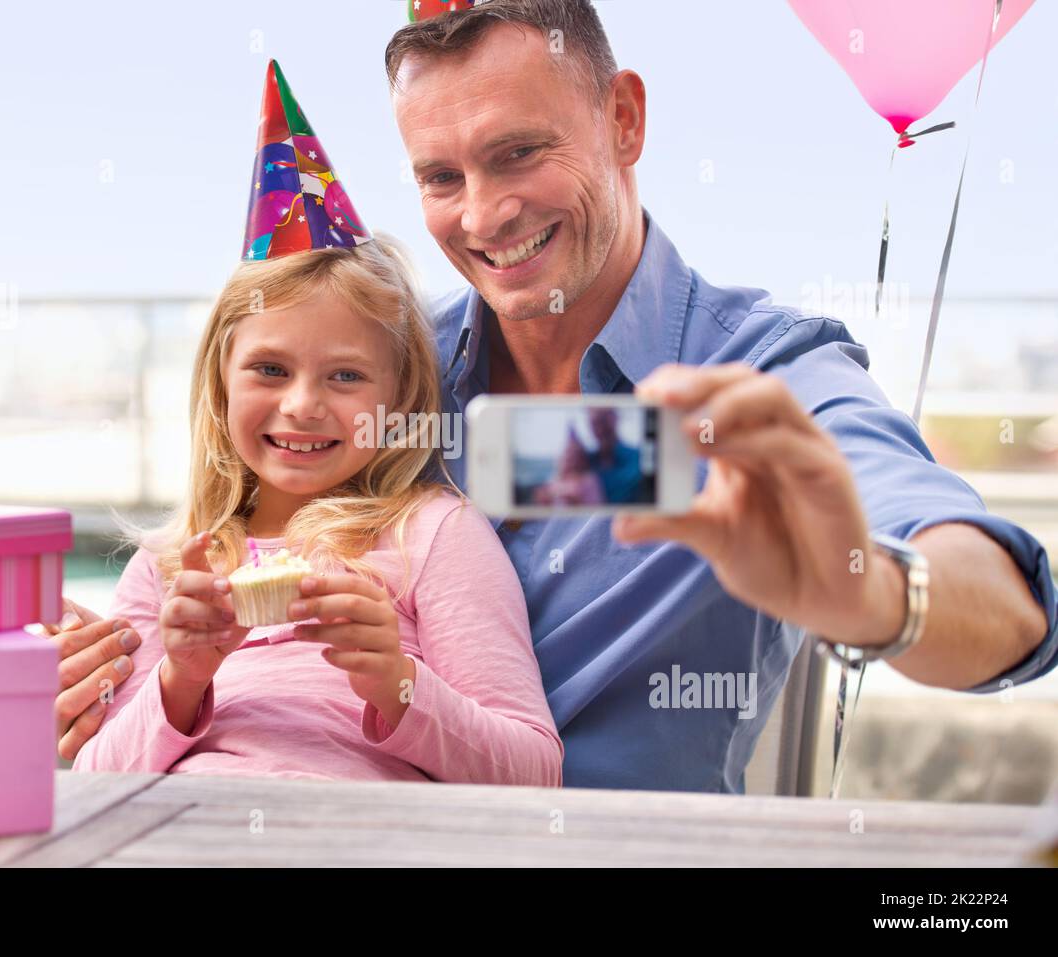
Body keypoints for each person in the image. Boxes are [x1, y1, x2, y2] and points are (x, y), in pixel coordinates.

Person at [51, 0, 1057, 792]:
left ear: (623, 119)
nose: (484, 214)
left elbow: (1006, 608)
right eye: (440, 176)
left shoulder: (757, 379)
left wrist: (865, 591)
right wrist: (112, 665)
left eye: (519, 152)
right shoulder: (387, 374)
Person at [65, 60, 561, 786]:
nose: (303, 403)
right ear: (220, 384)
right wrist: (182, 675)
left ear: (398, 402)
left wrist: (397, 683)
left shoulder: (433, 535)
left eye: (346, 376)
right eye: (270, 370)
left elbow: (533, 771)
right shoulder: (175, 564)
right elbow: (100, 779)